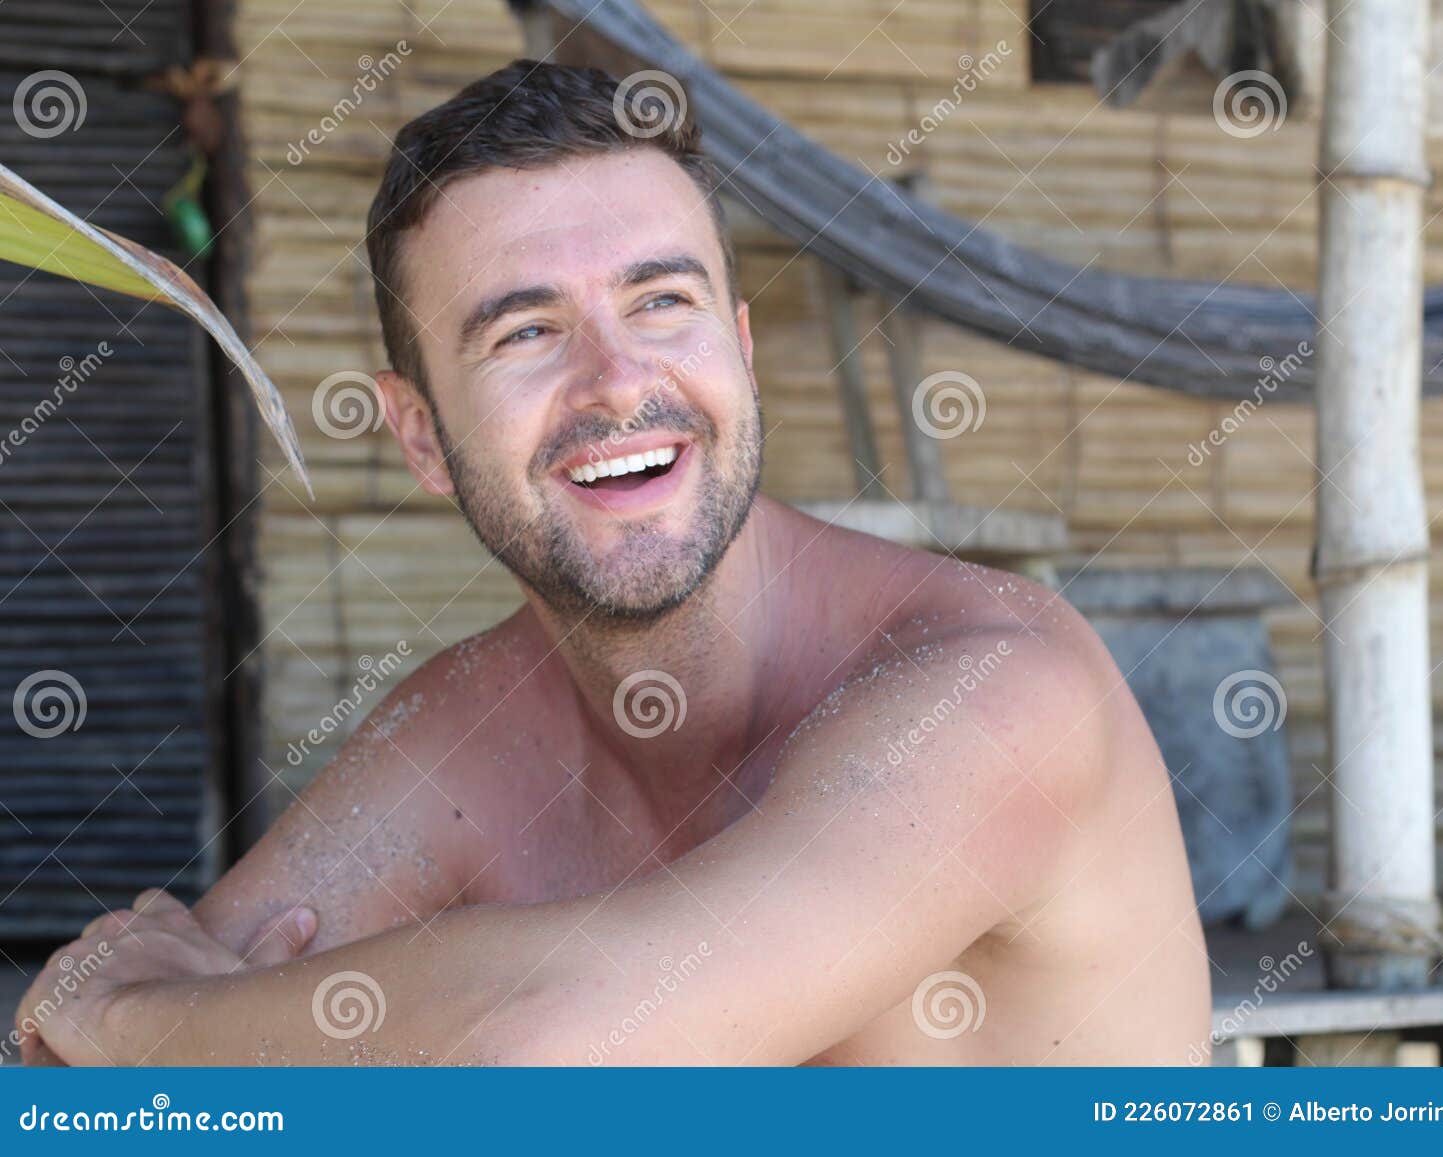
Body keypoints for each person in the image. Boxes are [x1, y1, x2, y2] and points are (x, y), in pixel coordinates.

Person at [15, 61, 1209, 1066]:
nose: (617, 381)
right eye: (527, 330)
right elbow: (73, 1062)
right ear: (419, 433)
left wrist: (131, 1018)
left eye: (662, 302)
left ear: (739, 351)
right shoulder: (466, 730)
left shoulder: (995, 690)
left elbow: (549, 1047)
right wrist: (137, 1020)